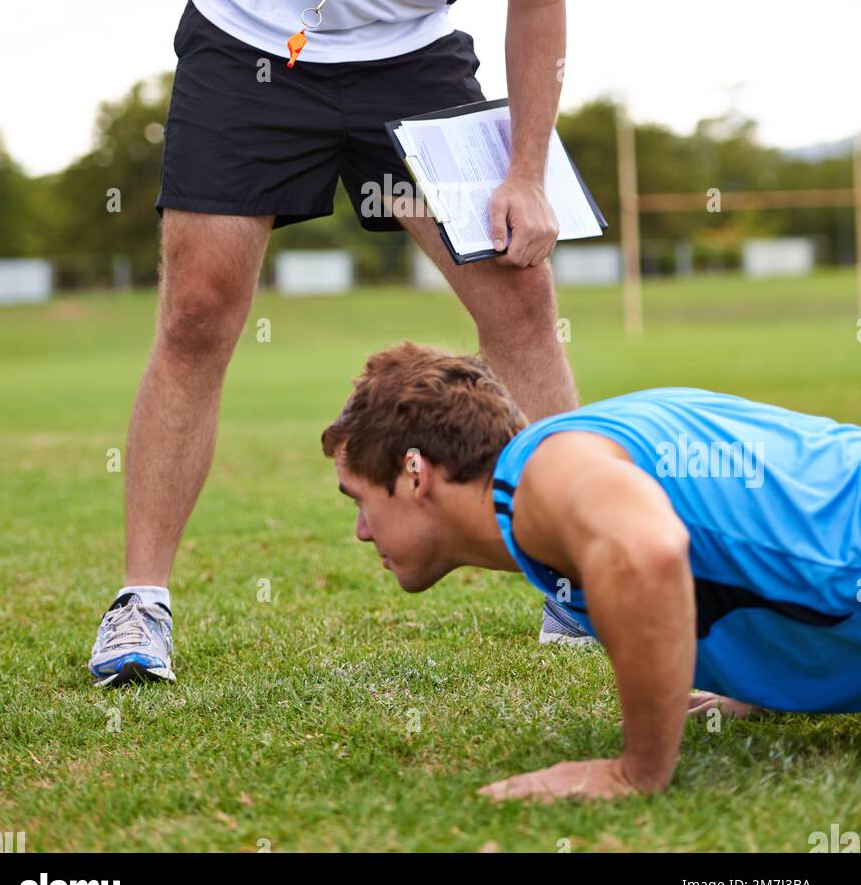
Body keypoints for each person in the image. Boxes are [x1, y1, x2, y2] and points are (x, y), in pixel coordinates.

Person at [85, 0, 579, 686]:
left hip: (410, 63)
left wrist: (529, 172)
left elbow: (538, 4)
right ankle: (141, 604)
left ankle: (575, 569)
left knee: (521, 289)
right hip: (254, 48)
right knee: (201, 310)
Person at [323, 341, 861, 801]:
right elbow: (750, 513)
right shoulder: (570, 453)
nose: (362, 532)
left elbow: (649, 550)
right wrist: (755, 680)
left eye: (359, 500)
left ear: (415, 474)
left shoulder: (546, 474)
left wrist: (635, 772)